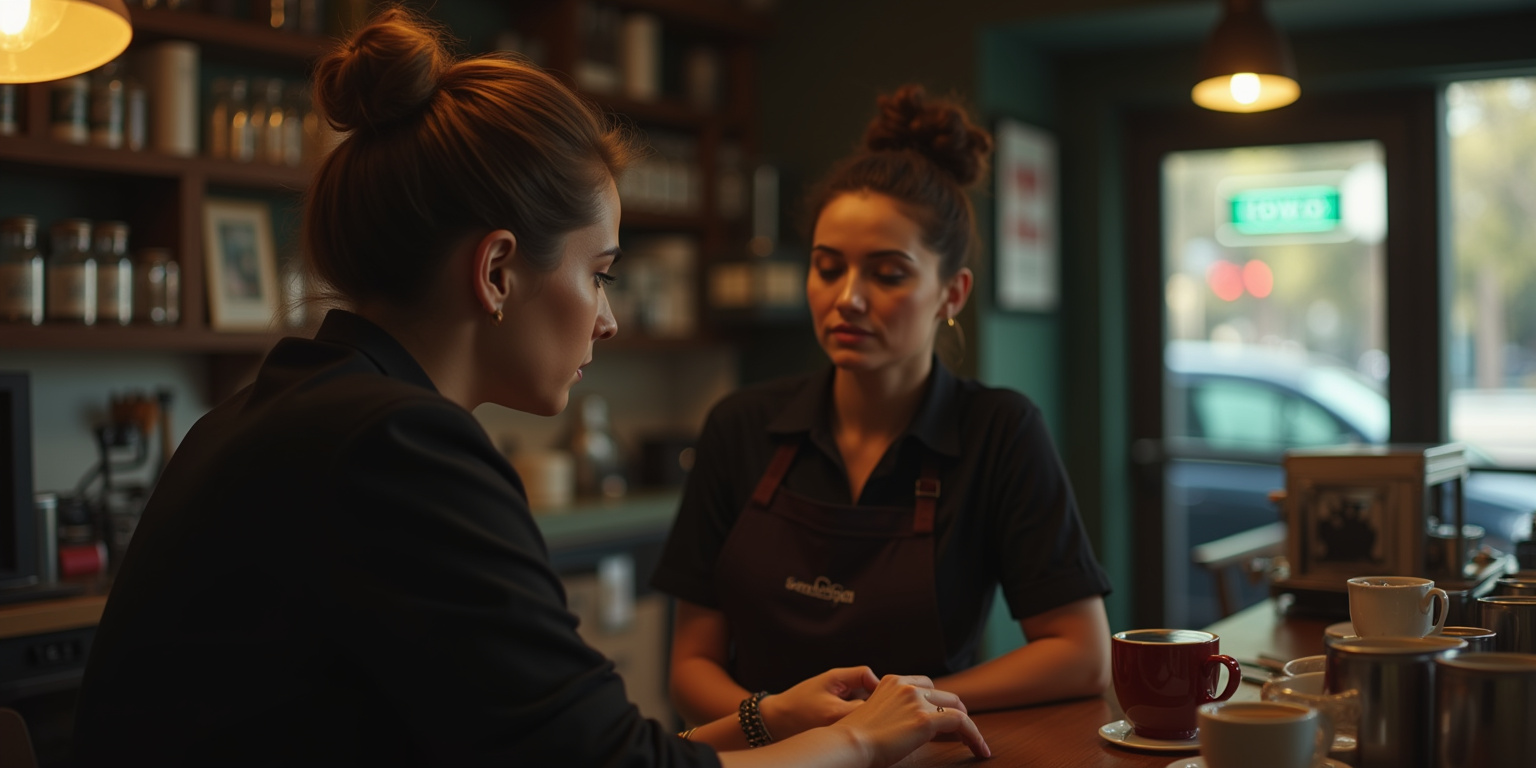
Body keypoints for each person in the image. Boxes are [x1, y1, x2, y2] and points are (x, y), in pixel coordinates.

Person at [71, 11, 989, 767]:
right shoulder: (400, 449)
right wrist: (862, 744)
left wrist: (766, 721)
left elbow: (574, 748)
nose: (608, 318)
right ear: (499, 271)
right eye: (600, 273)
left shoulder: (281, 412)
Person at [651, 85, 1114, 728]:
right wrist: (778, 717)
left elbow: (1081, 653)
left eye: (887, 273)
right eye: (828, 267)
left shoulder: (998, 432)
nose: (848, 298)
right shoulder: (740, 425)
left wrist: (908, 709)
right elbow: (688, 666)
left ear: (951, 293)